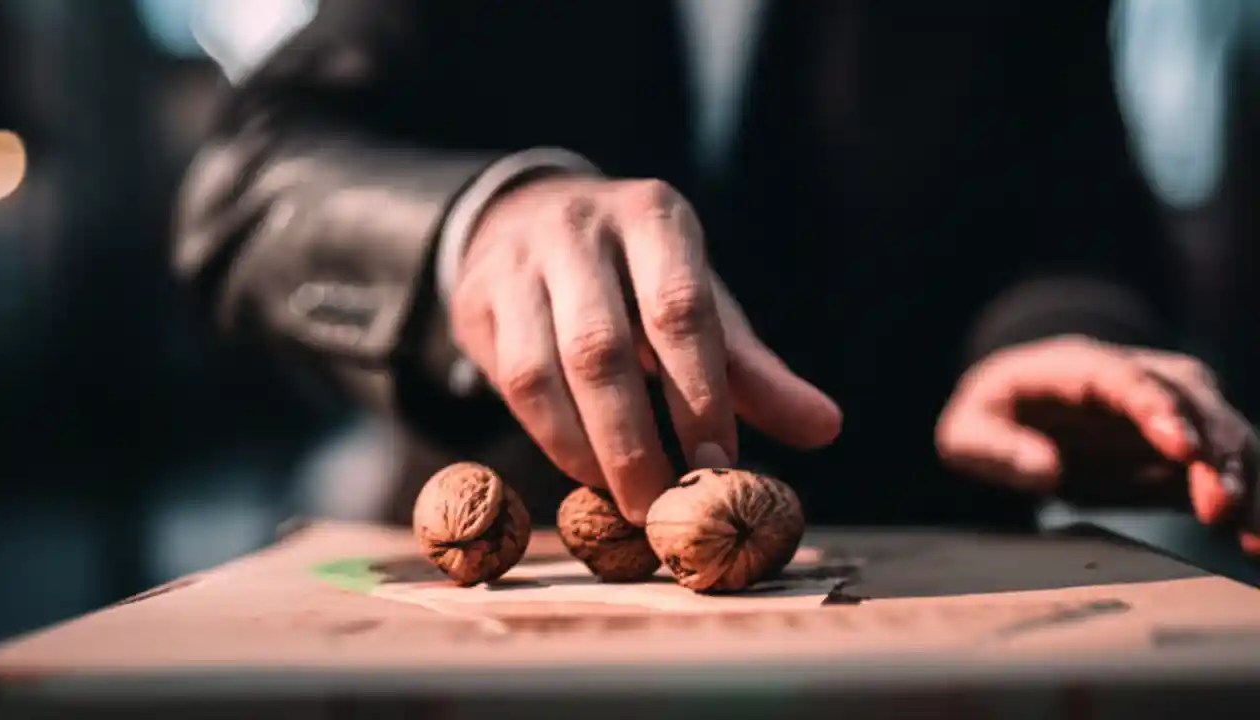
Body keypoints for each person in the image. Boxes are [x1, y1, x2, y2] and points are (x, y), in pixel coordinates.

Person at [174, 0, 1259, 555]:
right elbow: (243, 183)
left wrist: (1049, 334)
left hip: (928, 616)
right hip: (525, 608)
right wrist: (475, 221)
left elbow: (1078, 218)